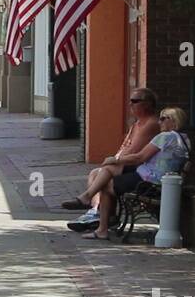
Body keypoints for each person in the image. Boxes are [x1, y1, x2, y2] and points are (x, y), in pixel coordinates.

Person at [62, 107, 191, 240]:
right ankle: (87, 197)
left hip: (148, 181)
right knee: (109, 169)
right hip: (159, 179)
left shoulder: (165, 137)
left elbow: (140, 157)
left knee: (105, 185)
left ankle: (102, 228)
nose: (159, 122)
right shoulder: (185, 140)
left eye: (163, 118)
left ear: (174, 121)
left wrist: (116, 159)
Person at [67, 88, 160, 232]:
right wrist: (115, 158)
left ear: (147, 104)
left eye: (135, 101)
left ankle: (94, 208)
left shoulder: (151, 124)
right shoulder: (136, 124)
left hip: (141, 168)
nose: (130, 104)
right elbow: (124, 148)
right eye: (130, 100)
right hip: (129, 164)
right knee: (96, 173)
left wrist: (115, 160)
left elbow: (135, 152)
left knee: (105, 175)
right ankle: (98, 213)